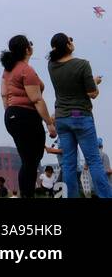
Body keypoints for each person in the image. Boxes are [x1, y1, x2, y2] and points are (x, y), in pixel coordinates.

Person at [47, 31, 112, 199]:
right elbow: (92, 93)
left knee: (68, 164)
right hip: (81, 116)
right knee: (94, 161)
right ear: (68, 45)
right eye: (70, 39)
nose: (72, 41)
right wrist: (95, 82)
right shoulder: (83, 65)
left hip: (62, 117)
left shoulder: (51, 66)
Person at [0, 34, 56, 197]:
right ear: (27, 49)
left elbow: (4, 95)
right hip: (26, 116)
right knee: (32, 159)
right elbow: (37, 99)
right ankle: (27, 194)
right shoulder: (26, 70)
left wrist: (10, 113)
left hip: (11, 115)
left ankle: (26, 194)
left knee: (27, 159)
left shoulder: (8, 70)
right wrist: (49, 123)